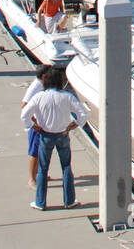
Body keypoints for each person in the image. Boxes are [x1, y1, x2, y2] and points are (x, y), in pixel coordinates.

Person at [22, 66, 88, 210]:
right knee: (66, 167)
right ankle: (69, 201)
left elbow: (24, 115)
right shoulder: (67, 96)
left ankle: (40, 203)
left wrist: (34, 126)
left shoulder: (39, 97)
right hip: (63, 135)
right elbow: (83, 114)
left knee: (43, 169)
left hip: (45, 135)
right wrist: (71, 126)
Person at [21, 65, 53, 190]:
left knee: (42, 151)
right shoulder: (37, 85)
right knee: (35, 153)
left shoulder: (42, 84)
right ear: (44, 76)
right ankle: (32, 179)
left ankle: (39, 173)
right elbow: (24, 104)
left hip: (42, 123)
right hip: (36, 126)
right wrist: (34, 122)